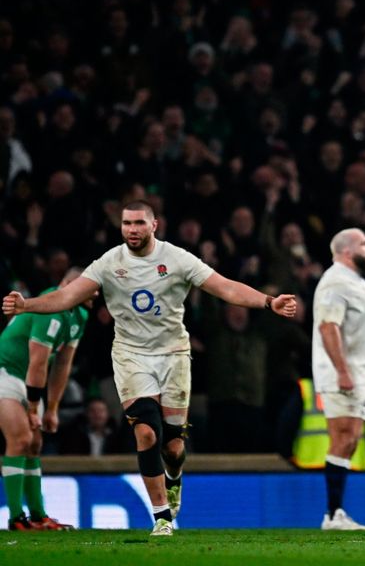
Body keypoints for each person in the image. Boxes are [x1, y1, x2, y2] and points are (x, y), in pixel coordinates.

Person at [2, 200, 297, 536]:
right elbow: (65, 297)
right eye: (127, 224)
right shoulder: (109, 263)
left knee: (173, 447)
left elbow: (225, 287)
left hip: (173, 354)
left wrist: (267, 301)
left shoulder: (177, 259)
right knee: (146, 432)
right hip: (131, 355)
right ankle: (162, 517)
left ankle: (174, 478)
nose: (132, 229)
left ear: (154, 225)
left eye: (139, 223)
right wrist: (27, 305)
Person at [0, 269, 89, 530]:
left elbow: (62, 364)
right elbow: (38, 362)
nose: (97, 293)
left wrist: (52, 409)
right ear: (73, 285)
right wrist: (34, 409)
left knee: (34, 445)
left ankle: (38, 516)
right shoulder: (51, 304)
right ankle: (17, 518)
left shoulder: (79, 315)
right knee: (21, 438)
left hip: (25, 380)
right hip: (5, 371)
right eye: (92, 286)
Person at [312, 228, 365, 531]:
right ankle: (332, 514)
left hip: (357, 373)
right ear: (348, 250)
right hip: (342, 374)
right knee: (342, 438)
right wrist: (341, 371)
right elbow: (328, 326)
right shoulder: (336, 281)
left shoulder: (354, 281)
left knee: (350, 440)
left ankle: (335, 513)